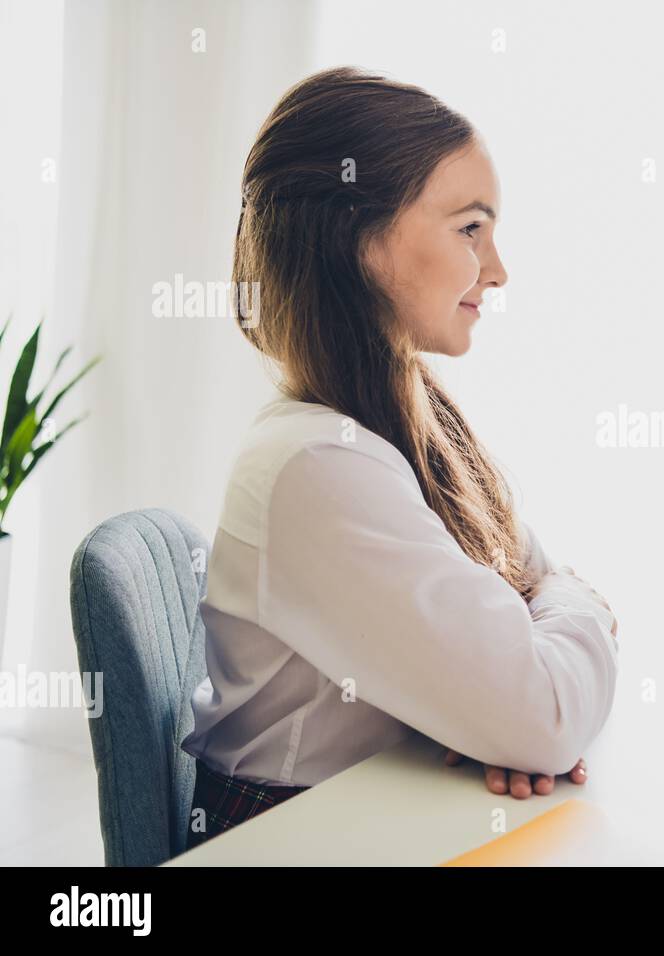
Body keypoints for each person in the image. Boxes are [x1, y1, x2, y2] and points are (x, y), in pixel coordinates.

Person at [181, 68, 619, 847]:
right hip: (289, 842)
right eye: (469, 229)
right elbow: (545, 711)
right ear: (358, 242)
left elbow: (531, 590)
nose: (498, 269)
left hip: (379, 814)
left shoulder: (405, 415)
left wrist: (502, 694)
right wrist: (560, 631)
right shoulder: (317, 464)